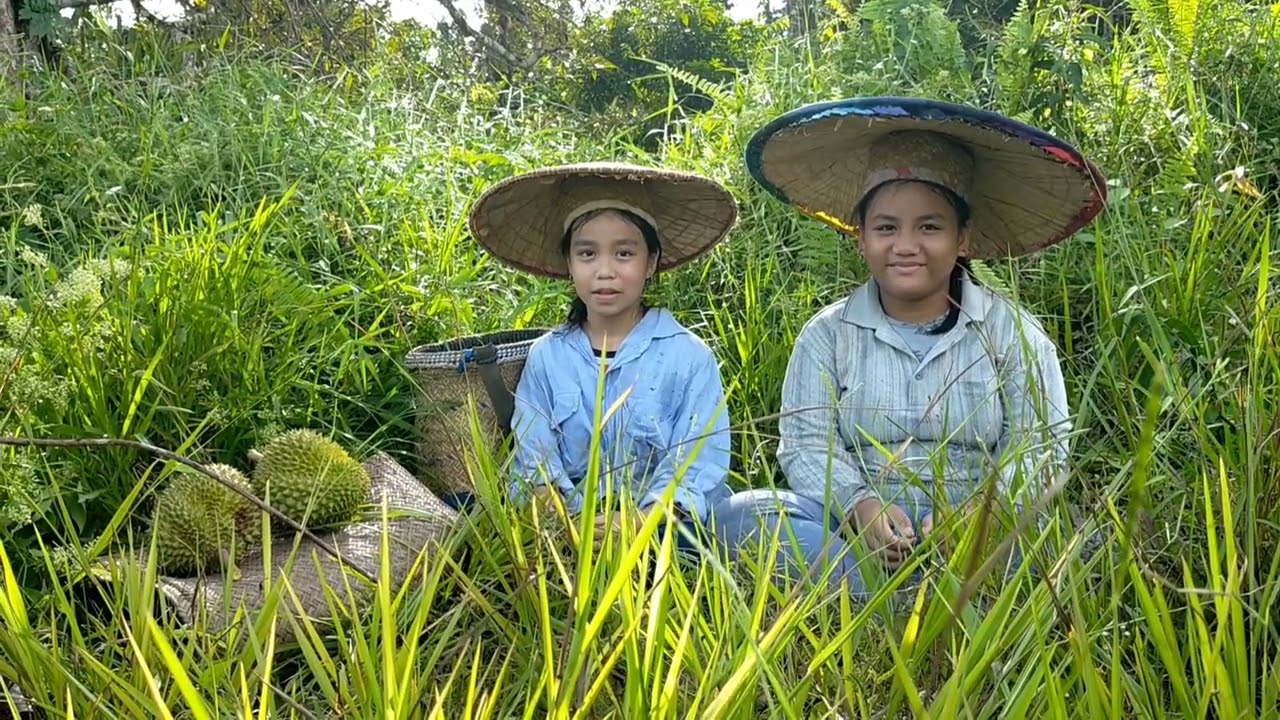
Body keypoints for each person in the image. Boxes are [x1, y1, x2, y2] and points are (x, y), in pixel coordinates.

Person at [712, 97, 1108, 596]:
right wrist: (862, 506)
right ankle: (906, 599)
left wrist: (972, 517)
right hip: (855, 531)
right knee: (737, 516)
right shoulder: (827, 334)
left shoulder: (1014, 333)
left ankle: (884, 600)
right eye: (885, 228)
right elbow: (807, 445)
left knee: (1088, 534)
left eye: (929, 227)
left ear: (963, 237)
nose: (904, 245)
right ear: (860, 239)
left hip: (983, 527)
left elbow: (1041, 448)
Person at [466, 162, 740, 552]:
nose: (605, 271)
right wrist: (566, 522)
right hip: (567, 537)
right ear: (569, 263)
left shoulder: (689, 357)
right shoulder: (547, 357)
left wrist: (638, 522)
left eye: (624, 253)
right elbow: (533, 460)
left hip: (662, 537)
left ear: (652, 262)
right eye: (588, 253)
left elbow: (697, 465)